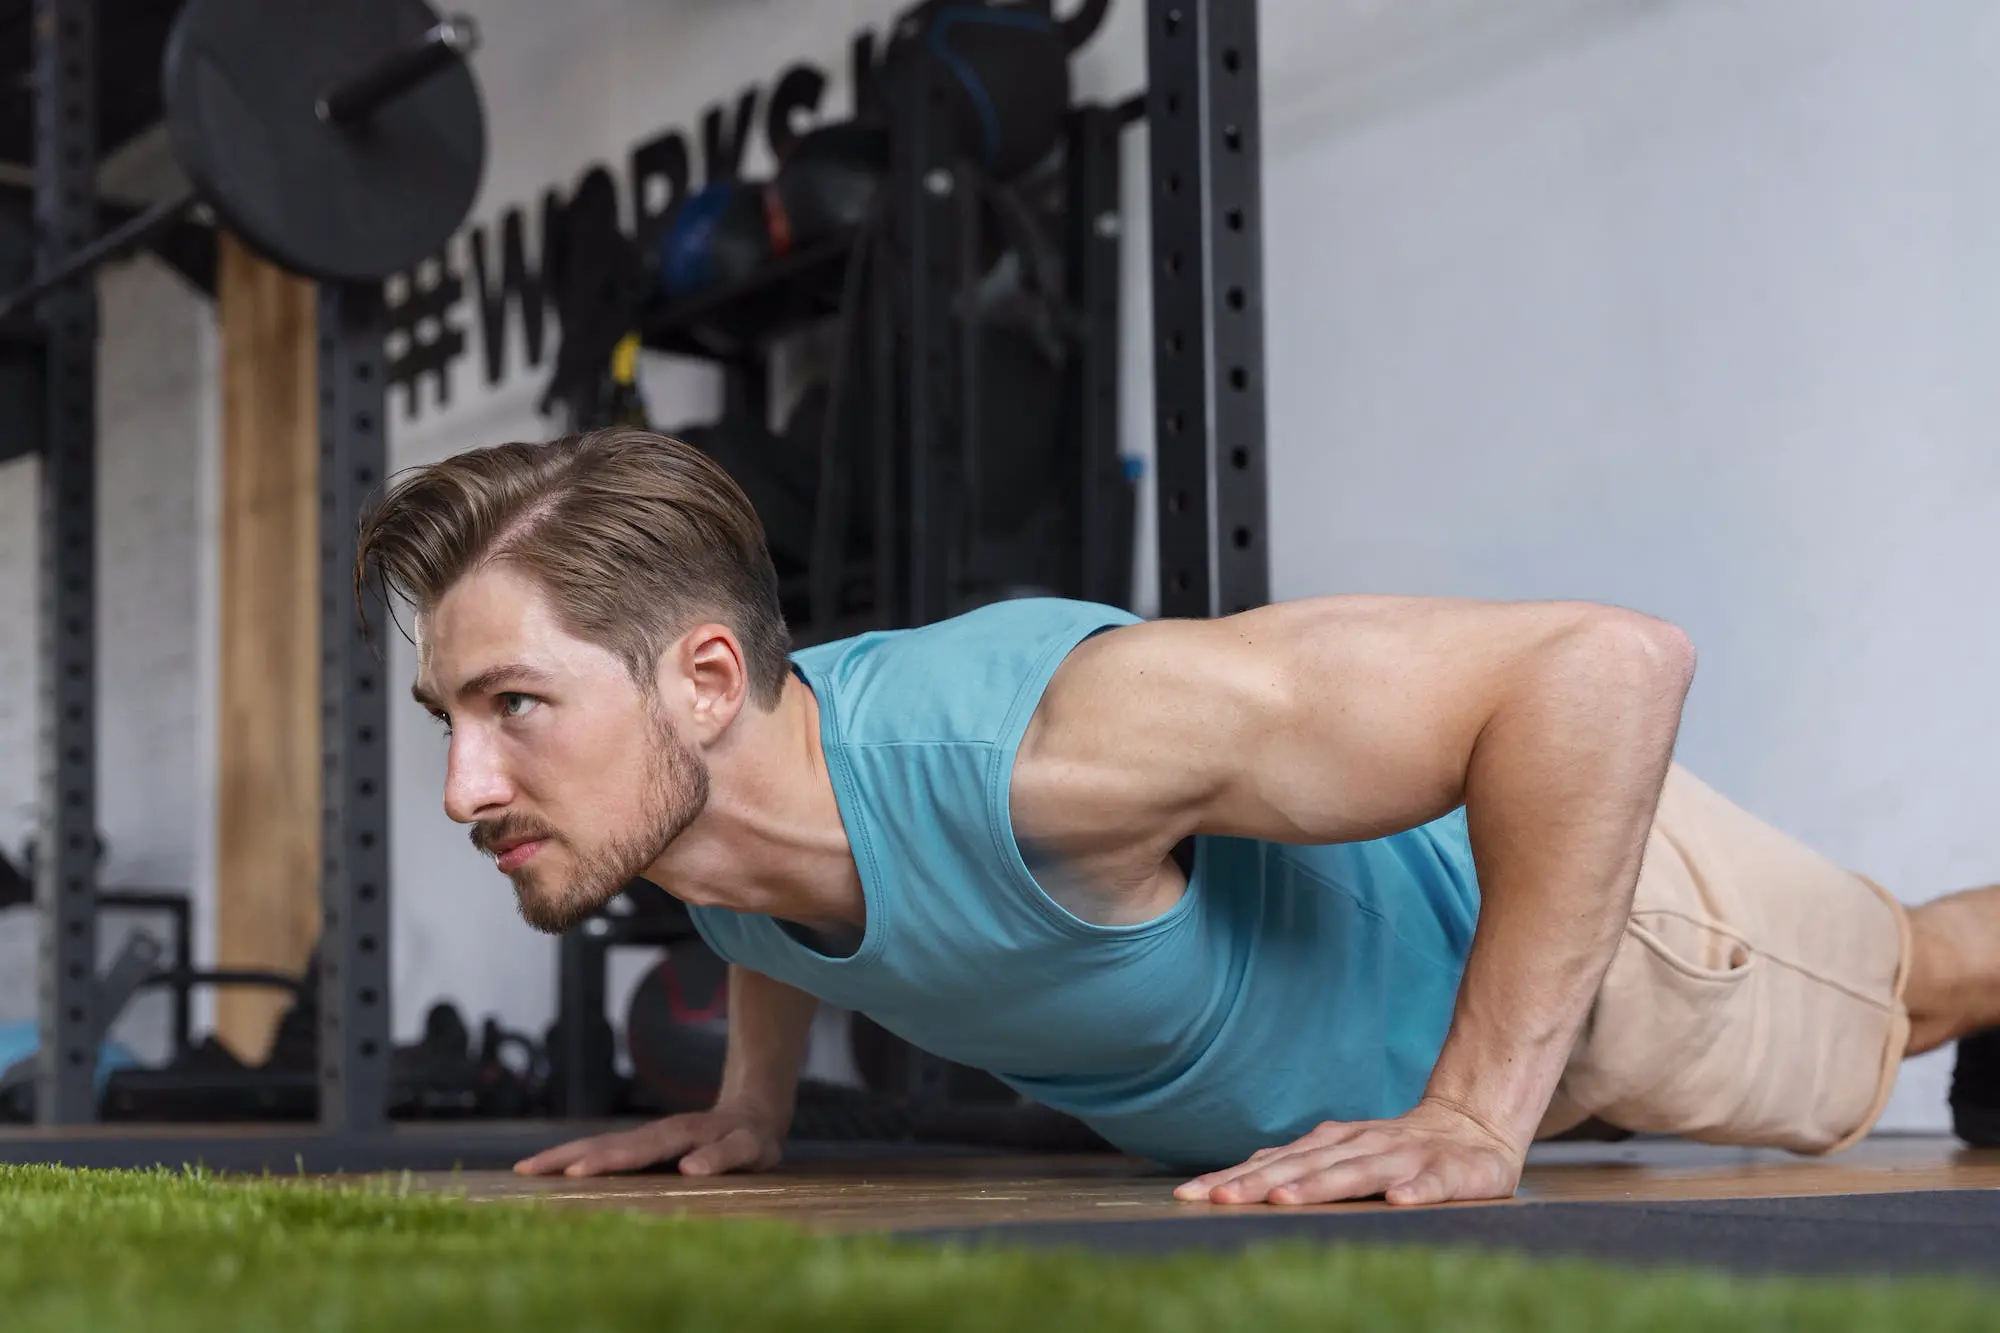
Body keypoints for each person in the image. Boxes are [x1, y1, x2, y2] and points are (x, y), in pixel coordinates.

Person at [356, 428, 1999, 1206]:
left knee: (1924, 985)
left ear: (702, 676)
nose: (463, 789)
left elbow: (1604, 669)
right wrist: (752, 1103)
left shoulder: (1048, 752)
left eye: (513, 708)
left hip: (1623, 947)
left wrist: (1478, 1115)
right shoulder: (695, 797)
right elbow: (782, 893)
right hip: (1418, 1084)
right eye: (451, 719)